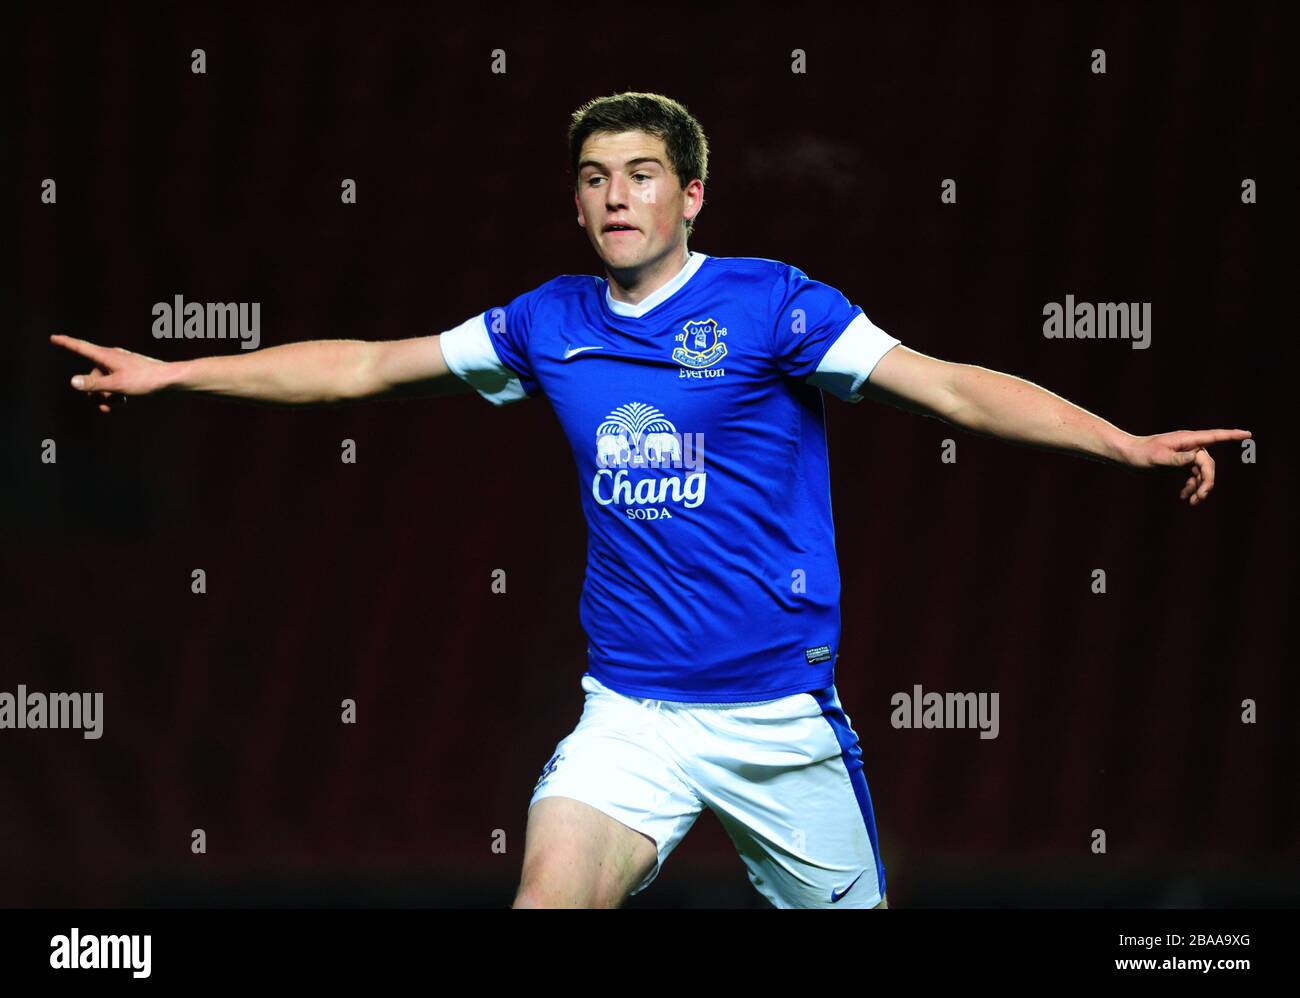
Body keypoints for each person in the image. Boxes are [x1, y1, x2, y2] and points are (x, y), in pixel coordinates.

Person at [51, 92, 1251, 909]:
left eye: (641, 174)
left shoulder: (772, 305)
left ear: (690, 198)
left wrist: (1120, 444)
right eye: (593, 178)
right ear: (576, 206)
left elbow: (949, 389)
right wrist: (175, 368)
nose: (616, 195)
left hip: (781, 720)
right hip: (630, 714)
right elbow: (367, 363)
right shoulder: (546, 323)